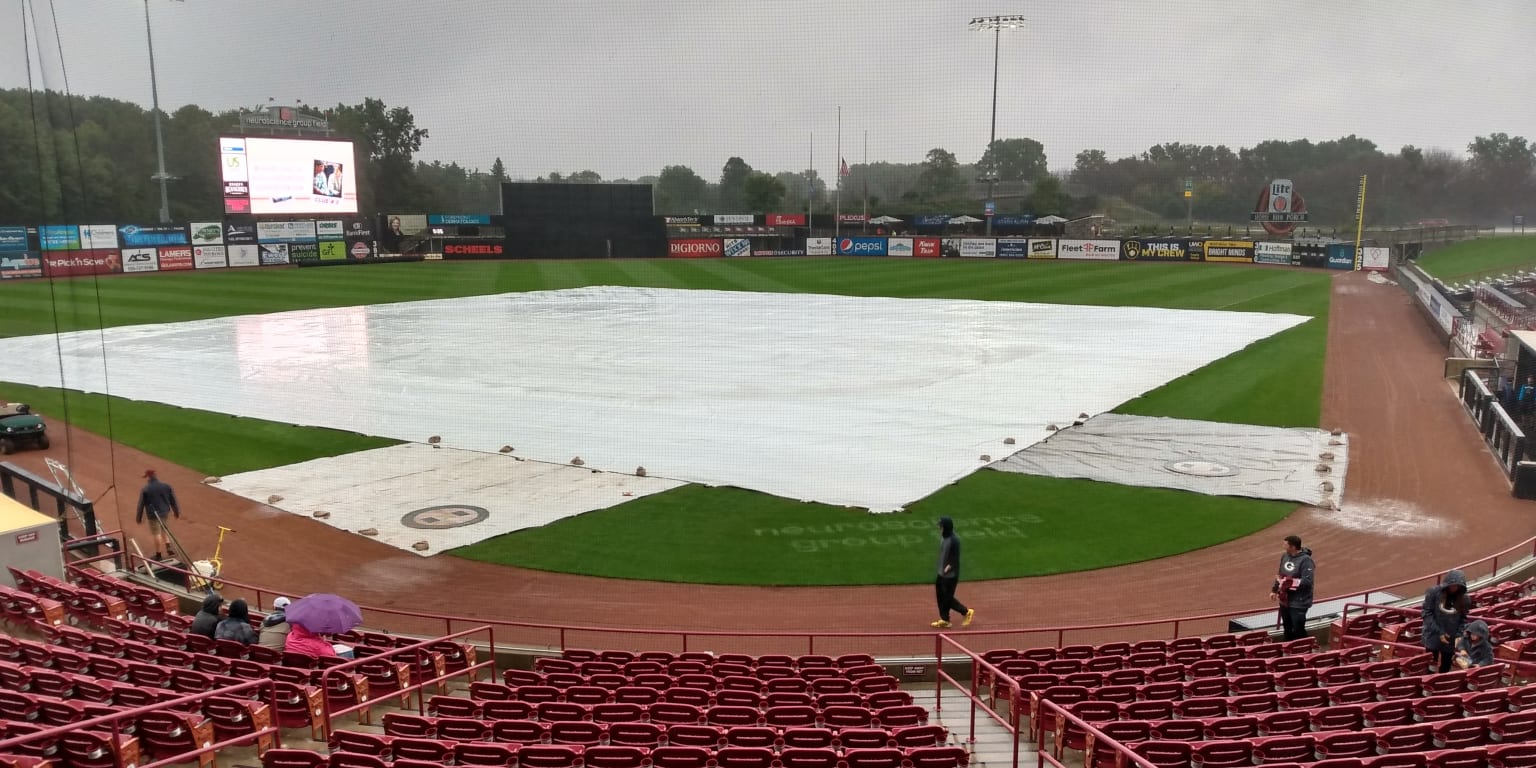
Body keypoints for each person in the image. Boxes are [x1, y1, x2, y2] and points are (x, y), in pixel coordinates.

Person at [1422, 569, 1470, 673]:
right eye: (1452, 585)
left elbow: (1463, 619)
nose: (1454, 588)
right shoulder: (1433, 593)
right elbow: (1426, 614)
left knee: (1446, 666)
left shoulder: (1464, 599)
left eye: (1457, 586)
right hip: (1433, 635)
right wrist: (1439, 632)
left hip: (1450, 638)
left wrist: (1458, 635)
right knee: (1430, 665)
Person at [1268, 534, 1315, 641]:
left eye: (1285, 545)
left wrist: (1289, 583)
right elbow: (1280, 575)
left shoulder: (1306, 560)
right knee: (1287, 628)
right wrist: (1274, 590)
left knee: (1298, 629)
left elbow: (1307, 581)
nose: (1283, 546)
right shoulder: (1285, 556)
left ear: (1292, 547)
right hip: (1285, 600)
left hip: (1299, 602)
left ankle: (1304, 650)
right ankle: (1289, 652)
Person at [931, 516, 975, 629]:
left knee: (947, 598)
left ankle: (966, 612)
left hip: (950, 575)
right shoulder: (943, 537)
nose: (939, 528)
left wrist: (948, 567)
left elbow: (955, 558)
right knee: (940, 596)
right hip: (941, 573)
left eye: (941, 526)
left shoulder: (954, 540)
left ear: (946, 527)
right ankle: (945, 620)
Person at [136, 469, 180, 561]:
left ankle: (158, 554)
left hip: (153, 514)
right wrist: (176, 511)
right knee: (164, 528)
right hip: (165, 512)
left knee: (156, 533)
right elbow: (173, 500)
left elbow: (141, 504)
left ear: (148, 477)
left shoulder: (146, 489)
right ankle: (168, 546)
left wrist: (139, 517)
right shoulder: (166, 486)